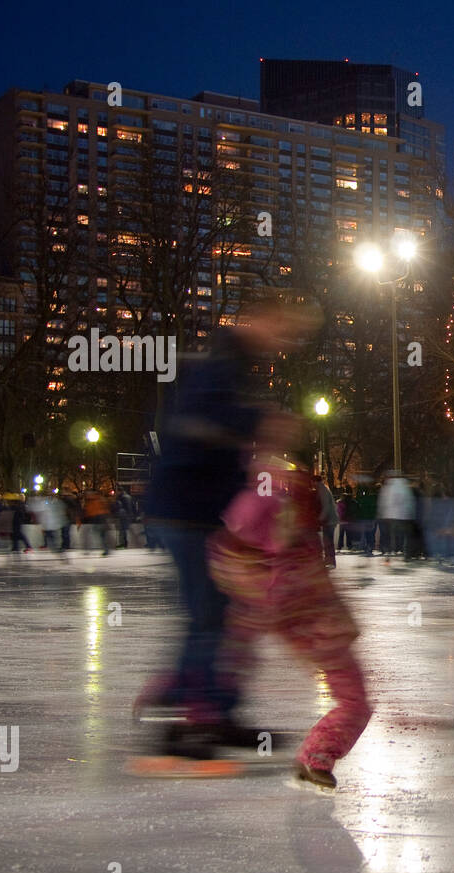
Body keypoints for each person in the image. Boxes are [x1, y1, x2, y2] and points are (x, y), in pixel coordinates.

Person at [138, 297, 309, 747]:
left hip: (200, 511)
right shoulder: (220, 361)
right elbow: (197, 421)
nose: (283, 339)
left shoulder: (234, 364)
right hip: (186, 511)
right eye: (281, 326)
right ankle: (195, 716)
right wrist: (262, 420)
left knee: (220, 614)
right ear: (255, 319)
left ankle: (204, 703)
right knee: (209, 615)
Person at [209, 412, 372, 790]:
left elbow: (246, 544)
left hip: (305, 606)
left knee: (355, 698)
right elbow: (254, 540)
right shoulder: (275, 489)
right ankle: (316, 755)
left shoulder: (273, 485)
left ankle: (314, 757)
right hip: (307, 609)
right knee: (356, 700)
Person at [313, 474, 337, 568]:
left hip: (329, 520)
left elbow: (325, 506)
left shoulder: (322, 490)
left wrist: (320, 519)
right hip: (330, 520)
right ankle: (329, 561)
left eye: (312, 482)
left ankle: (330, 561)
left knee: (328, 541)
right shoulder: (324, 488)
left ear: (315, 481)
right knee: (328, 541)